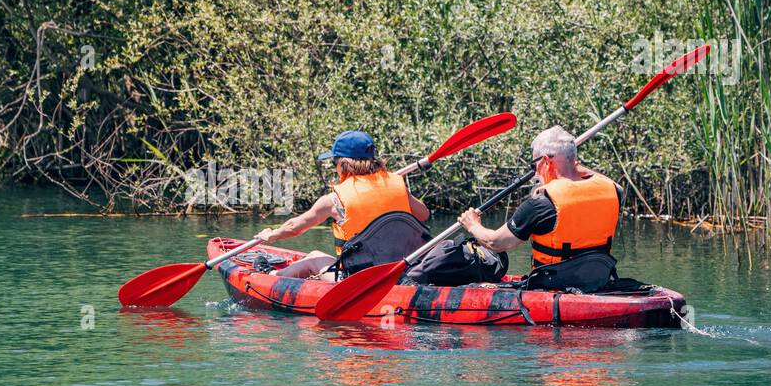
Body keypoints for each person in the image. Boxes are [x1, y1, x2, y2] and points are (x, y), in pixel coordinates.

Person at [457, 125, 622, 292]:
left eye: (534, 165)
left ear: (546, 161)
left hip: (554, 285)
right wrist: (571, 165)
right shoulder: (612, 190)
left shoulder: (543, 202)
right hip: (599, 280)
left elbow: (495, 242)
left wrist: (472, 225)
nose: (535, 173)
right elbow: (611, 184)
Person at [256, 130, 431, 279]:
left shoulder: (334, 200)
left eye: (334, 163)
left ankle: (269, 276)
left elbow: (295, 227)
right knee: (315, 256)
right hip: (404, 269)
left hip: (358, 278)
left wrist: (272, 235)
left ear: (343, 164)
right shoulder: (397, 185)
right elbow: (424, 215)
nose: (334, 168)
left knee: (314, 257)